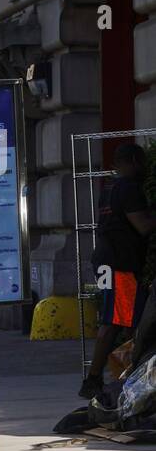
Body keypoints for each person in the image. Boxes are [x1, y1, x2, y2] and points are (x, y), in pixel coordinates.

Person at [80, 143, 155, 399]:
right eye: (142, 162)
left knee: (121, 320)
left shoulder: (109, 188)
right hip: (120, 264)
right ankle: (96, 379)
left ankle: (105, 376)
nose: (144, 168)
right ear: (133, 161)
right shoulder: (129, 189)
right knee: (116, 321)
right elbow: (143, 226)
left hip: (106, 260)